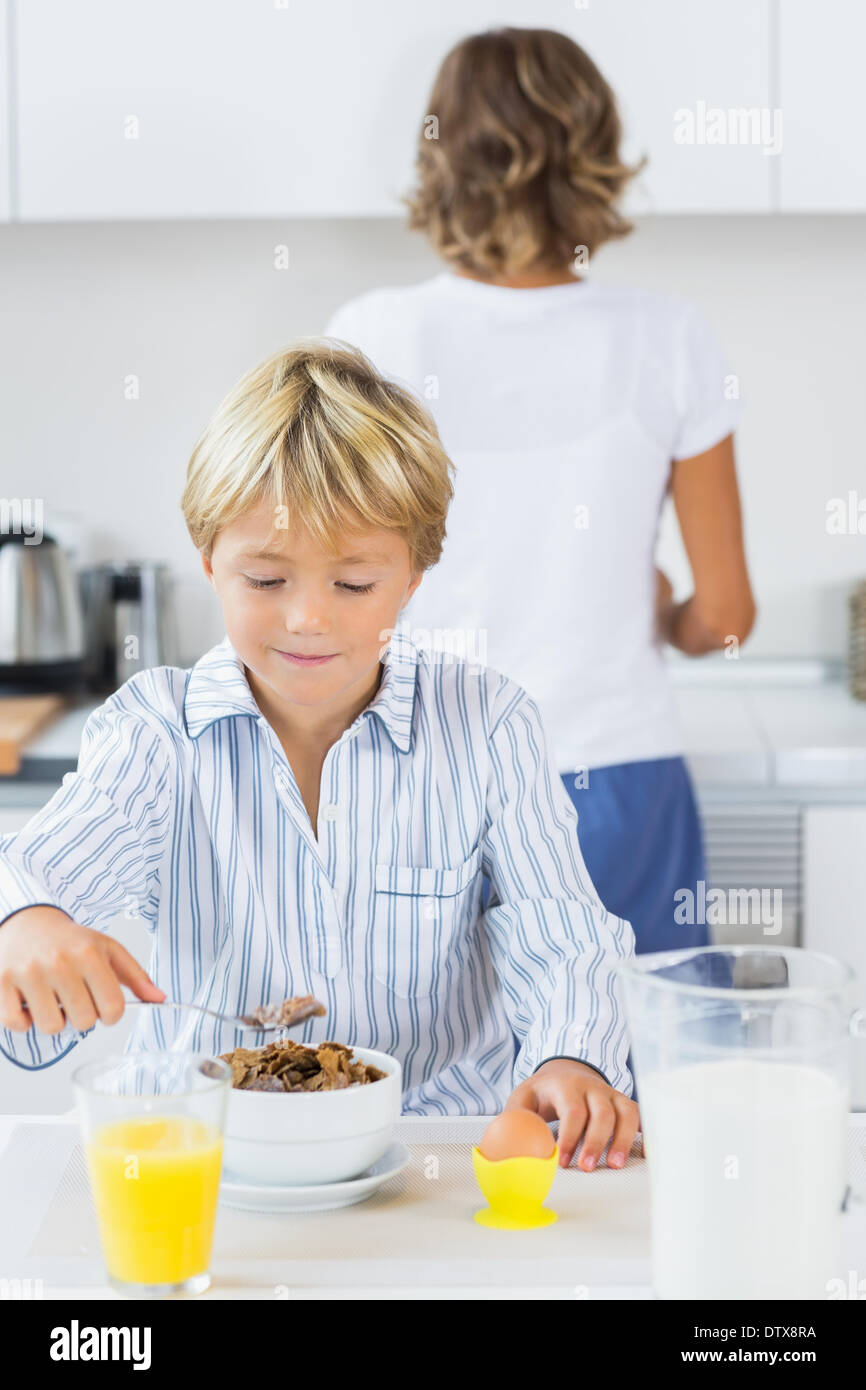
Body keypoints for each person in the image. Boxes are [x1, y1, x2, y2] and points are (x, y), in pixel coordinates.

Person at [0, 340, 639, 1171]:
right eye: (265, 581)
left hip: (436, 1159)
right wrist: (26, 925)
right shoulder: (157, 732)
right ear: (209, 564)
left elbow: (565, 938)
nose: (307, 618)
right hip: (221, 1166)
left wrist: (572, 1055)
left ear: (412, 576)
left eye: (353, 584)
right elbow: (36, 875)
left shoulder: (487, 724)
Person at [324, 27, 756, 956]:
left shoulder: (370, 337)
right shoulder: (669, 336)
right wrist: (667, 606)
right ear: (595, 157)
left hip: (417, 777)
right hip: (612, 781)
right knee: (616, 1083)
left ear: (441, 160)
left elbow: (332, 595)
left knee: (417, 1086)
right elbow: (726, 621)